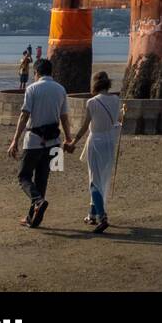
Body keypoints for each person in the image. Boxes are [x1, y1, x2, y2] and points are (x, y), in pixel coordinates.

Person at [8, 58, 71, 228]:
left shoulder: (32, 89)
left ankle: (37, 202)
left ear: (36, 73)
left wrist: (15, 140)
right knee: (42, 179)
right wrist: (68, 138)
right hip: (54, 141)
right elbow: (64, 117)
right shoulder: (61, 89)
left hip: (34, 140)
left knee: (23, 176)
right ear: (52, 72)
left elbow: (24, 115)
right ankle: (33, 217)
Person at [67, 71, 121, 234]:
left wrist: (73, 142)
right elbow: (118, 120)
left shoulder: (92, 102)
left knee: (94, 180)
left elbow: (85, 127)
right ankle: (92, 214)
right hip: (110, 141)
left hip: (96, 141)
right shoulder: (116, 99)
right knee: (102, 178)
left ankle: (102, 216)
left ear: (95, 84)